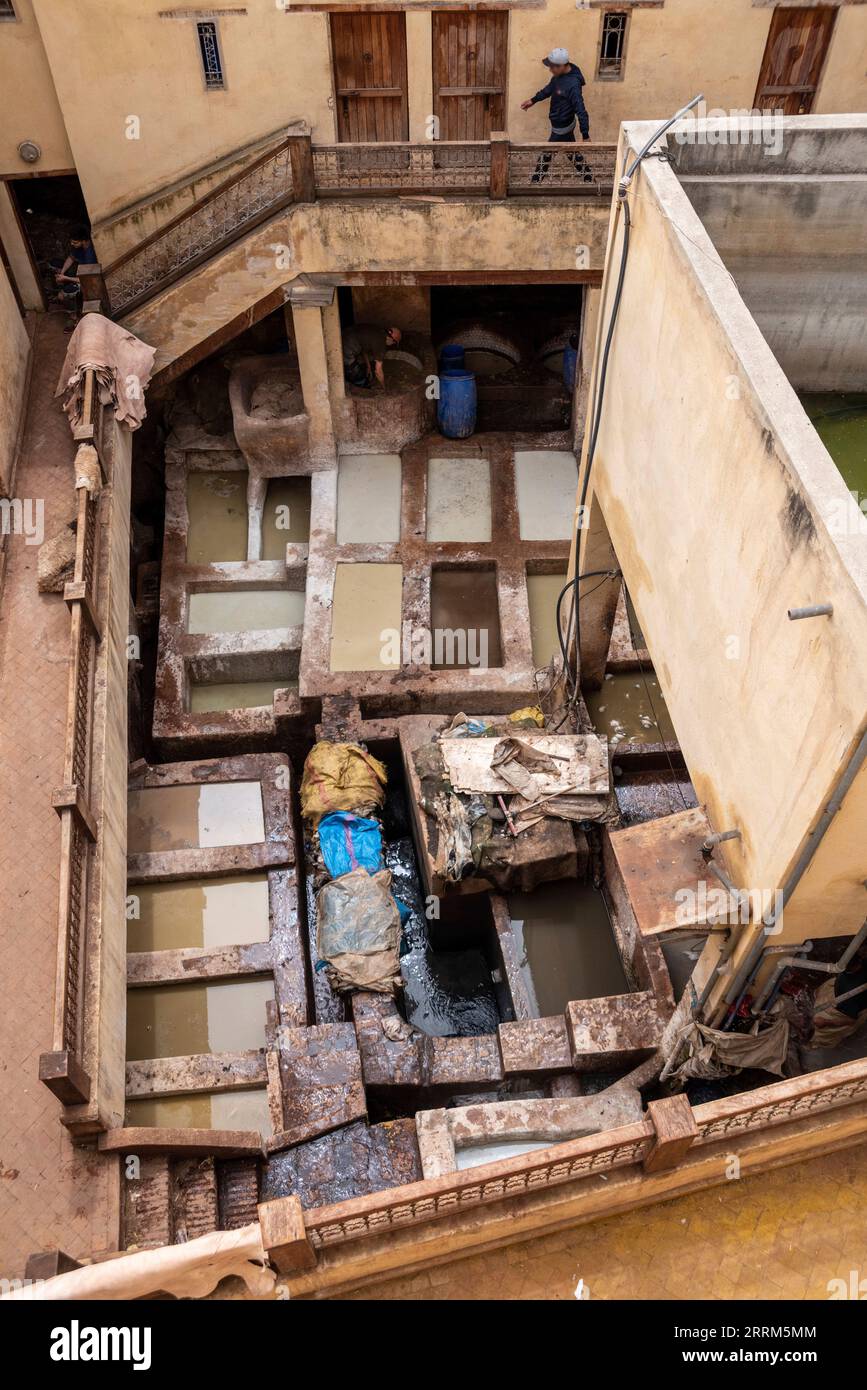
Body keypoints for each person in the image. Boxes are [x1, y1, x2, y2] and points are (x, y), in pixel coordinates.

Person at [521, 48, 592, 185]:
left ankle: (535, 181)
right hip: (560, 122)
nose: (550, 70)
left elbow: (581, 110)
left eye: (552, 67)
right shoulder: (559, 77)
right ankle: (588, 177)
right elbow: (549, 89)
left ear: (562, 66)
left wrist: (585, 134)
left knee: (547, 154)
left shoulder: (573, 85)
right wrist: (533, 100)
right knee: (570, 151)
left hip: (563, 125)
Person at [50, 225, 98, 308]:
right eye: (71, 242)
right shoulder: (80, 247)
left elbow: (85, 279)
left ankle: (76, 311)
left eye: (75, 242)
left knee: (61, 296)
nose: (72, 244)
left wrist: (65, 278)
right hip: (80, 274)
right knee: (54, 264)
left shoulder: (90, 256)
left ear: (83, 241)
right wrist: (62, 272)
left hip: (89, 283)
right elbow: (71, 258)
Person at [342, 324, 402, 389]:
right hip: (346, 346)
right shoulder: (381, 342)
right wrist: (383, 386)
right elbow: (378, 371)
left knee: (352, 368)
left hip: (343, 335)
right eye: (394, 343)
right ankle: (362, 388)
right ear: (391, 339)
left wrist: (369, 367)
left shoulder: (377, 331)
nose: (392, 344)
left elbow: (364, 350)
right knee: (356, 375)